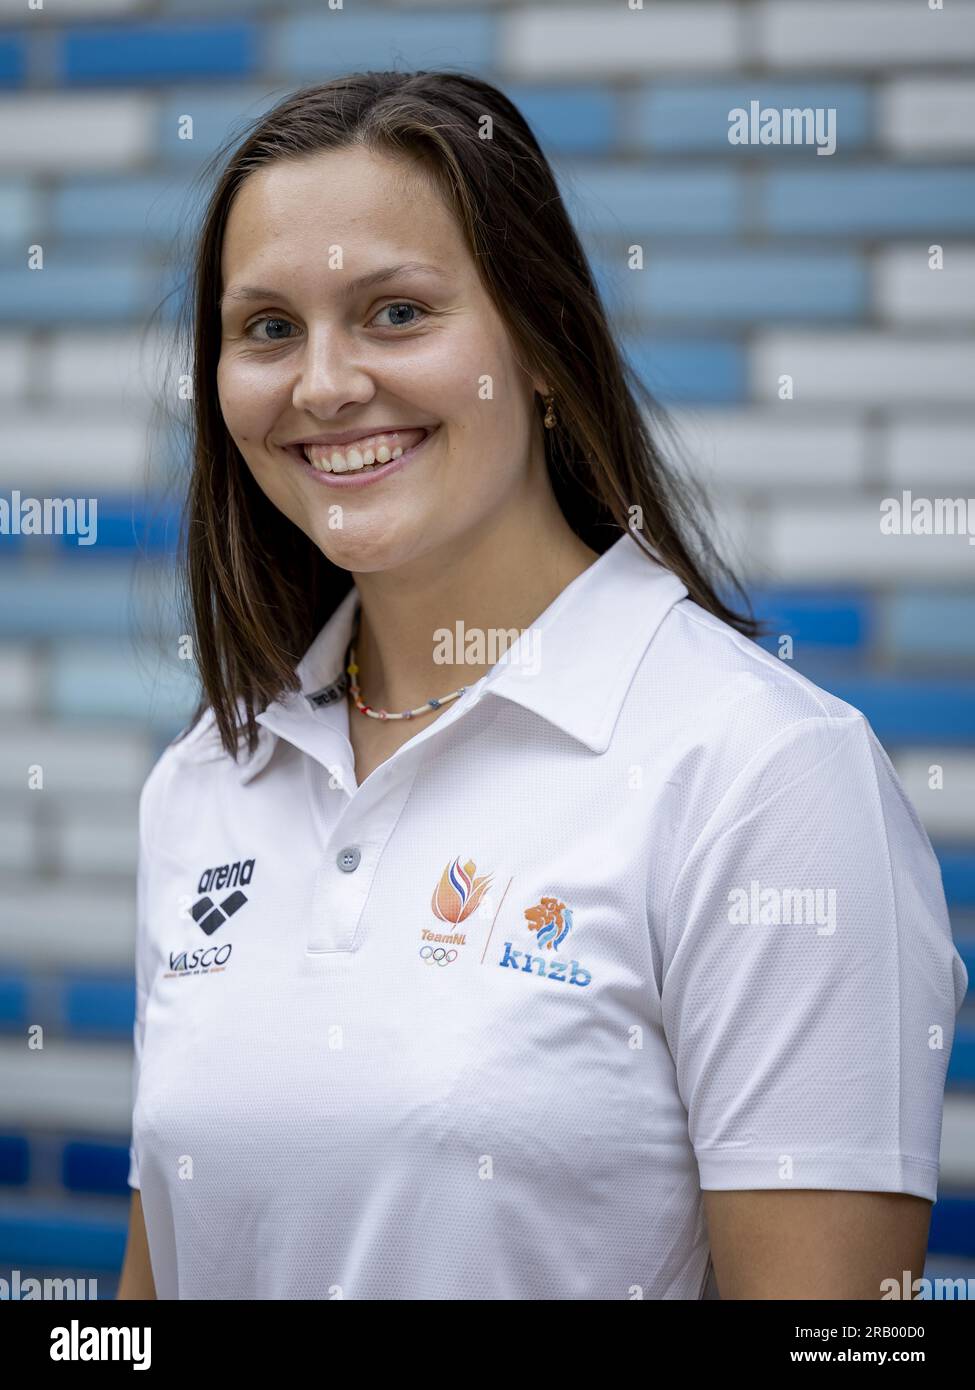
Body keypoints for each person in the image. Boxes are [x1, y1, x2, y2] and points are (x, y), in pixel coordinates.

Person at [117, 70, 968, 1301]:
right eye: (267, 328)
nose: (324, 384)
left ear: (544, 346)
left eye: (396, 312)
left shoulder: (766, 776)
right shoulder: (206, 777)